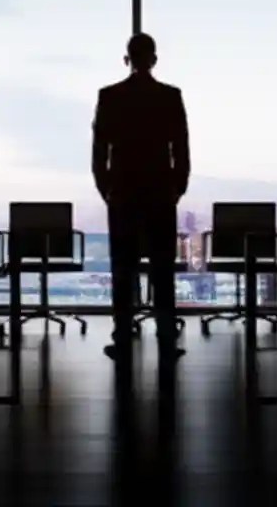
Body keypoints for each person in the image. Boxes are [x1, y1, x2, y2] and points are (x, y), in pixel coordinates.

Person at [92, 33, 190, 363]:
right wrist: (177, 187)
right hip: (160, 193)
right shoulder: (170, 97)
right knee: (163, 270)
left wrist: (106, 189)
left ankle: (122, 337)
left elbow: (99, 151)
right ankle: (165, 338)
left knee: (123, 269)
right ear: (154, 60)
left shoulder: (109, 97)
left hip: (123, 194)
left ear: (127, 60)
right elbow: (181, 148)